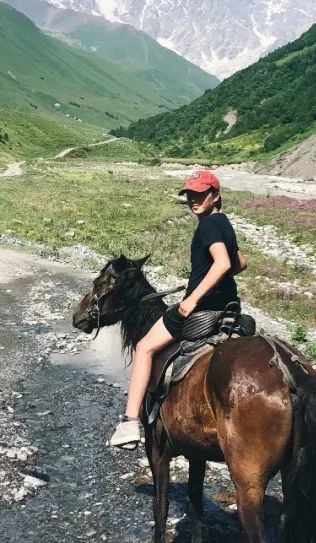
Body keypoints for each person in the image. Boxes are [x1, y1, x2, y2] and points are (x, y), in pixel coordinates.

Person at [108, 169, 247, 448]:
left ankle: (130, 423)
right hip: (229, 307)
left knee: (145, 347)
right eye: (190, 195)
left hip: (202, 310)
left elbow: (221, 264)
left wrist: (193, 298)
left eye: (200, 194)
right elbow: (240, 262)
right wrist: (202, 275)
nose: (193, 200)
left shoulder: (207, 225)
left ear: (215, 195)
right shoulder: (223, 223)